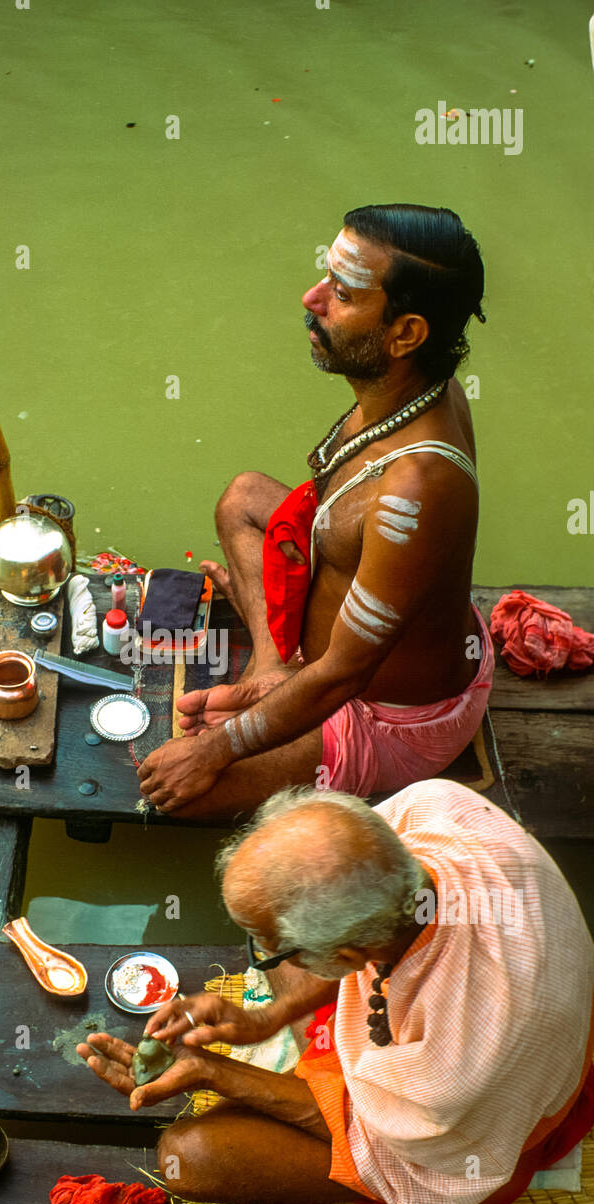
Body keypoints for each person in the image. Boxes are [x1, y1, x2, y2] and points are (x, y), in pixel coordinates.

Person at [78, 781, 594, 1204]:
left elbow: (381, 1137)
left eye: (269, 949)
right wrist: (266, 1018)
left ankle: (319, 1163)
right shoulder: (433, 807)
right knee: (285, 914)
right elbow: (362, 928)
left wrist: (212, 1072)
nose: (260, 960)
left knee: (188, 1157)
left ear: (349, 955)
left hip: (474, 1120)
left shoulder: (459, 1055)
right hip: (445, 1013)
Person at [137, 204, 494, 820]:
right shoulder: (418, 386)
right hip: (335, 658)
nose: (312, 298)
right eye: (324, 278)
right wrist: (276, 675)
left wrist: (219, 750)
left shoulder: (418, 488)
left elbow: (344, 676)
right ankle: (273, 669)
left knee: (164, 791)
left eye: (343, 293)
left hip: (387, 715)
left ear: (406, 334)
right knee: (245, 498)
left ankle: (281, 690)